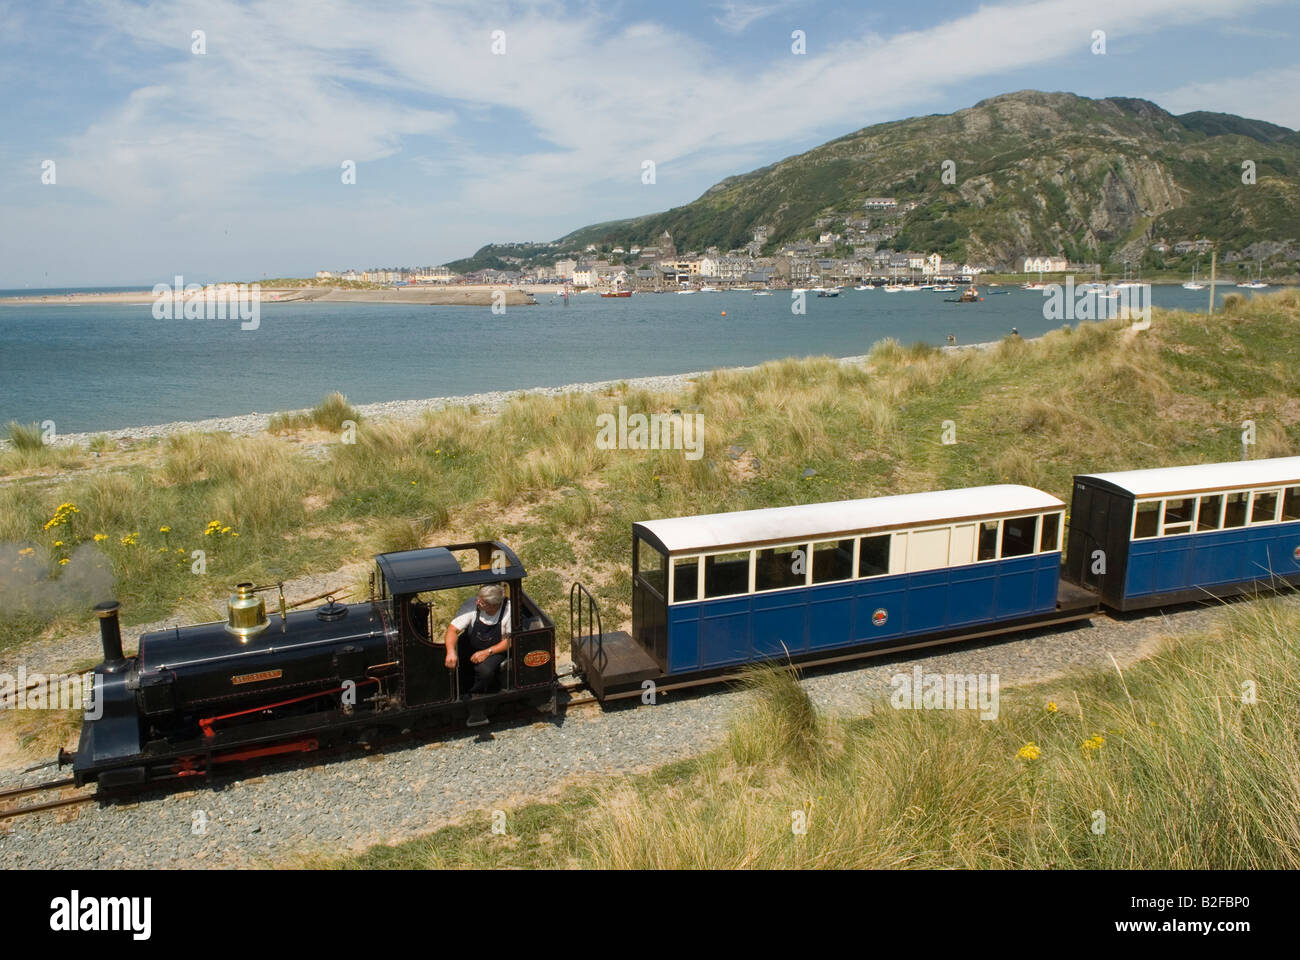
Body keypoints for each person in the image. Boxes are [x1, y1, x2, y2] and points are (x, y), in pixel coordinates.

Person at [444, 584, 511, 697]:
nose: (477, 602)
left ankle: (477, 694)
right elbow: (452, 630)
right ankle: (457, 690)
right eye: (478, 598)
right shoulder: (472, 604)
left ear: (494, 606)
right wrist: (450, 651)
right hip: (470, 643)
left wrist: (487, 652)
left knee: (485, 671)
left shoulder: (509, 612)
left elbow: (510, 640)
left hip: (496, 649)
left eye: (482, 602)